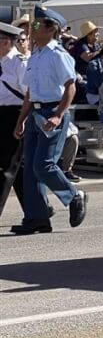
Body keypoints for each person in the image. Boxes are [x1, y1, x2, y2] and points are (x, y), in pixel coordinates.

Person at [10, 6, 88, 235]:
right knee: (30, 169)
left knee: (44, 165)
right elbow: (29, 93)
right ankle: (37, 218)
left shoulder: (58, 55)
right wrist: (21, 120)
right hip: (35, 113)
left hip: (52, 111)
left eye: (36, 24)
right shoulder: (35, 55)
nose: (31, 28)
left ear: (50, 28)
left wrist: (58, 115)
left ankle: (74, 195)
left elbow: (70, 86)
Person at [1, 22, 29, 215]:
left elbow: (29, 95)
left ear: (5, 42)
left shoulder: (20, 63)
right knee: (17, 169)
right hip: (0, 115)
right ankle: (39, 210)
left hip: (15, 115)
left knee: (6, 168)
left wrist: (22, 120)